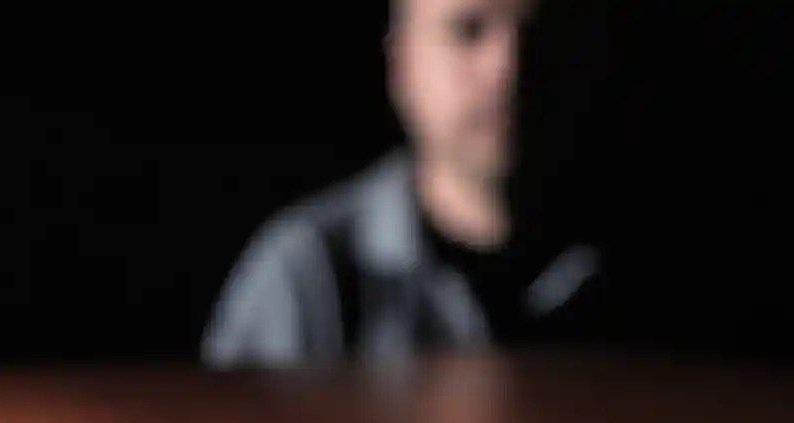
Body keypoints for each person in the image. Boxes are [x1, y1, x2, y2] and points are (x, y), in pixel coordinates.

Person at [203, 0, 602, 368]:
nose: (507, 67)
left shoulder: (640, 274)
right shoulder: (303, 273)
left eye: (538, 32)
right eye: (467, 30)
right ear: (403, 61)